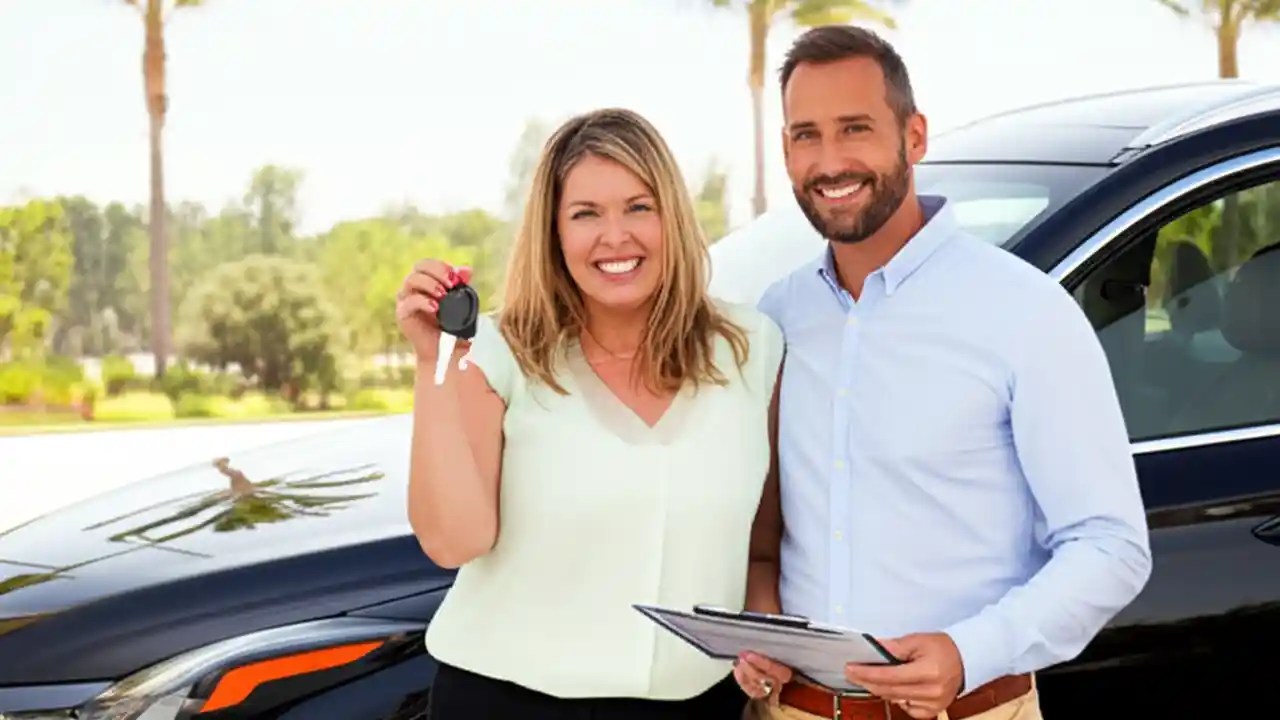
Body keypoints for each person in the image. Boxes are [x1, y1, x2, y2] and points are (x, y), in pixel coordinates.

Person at [730, 25, 1153, 720]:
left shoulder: (1024, 312)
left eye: (855, 129)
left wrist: (969, 651)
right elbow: (767, 540)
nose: (830, 160)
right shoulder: (777, 318)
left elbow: (1110, 546)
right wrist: (762, 623)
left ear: (915, 136)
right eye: (806, 135)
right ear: (785, 150)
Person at [396, 107, 784, 719]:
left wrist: (765, 632)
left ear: (672, 218)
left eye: (639, 207)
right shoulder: (498, 353)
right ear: (553, 232)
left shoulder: (752, 348)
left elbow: (763, 545)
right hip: (507, 703)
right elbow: (453, 541)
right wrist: (431, 365)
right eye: (585, 214)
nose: (615, 236)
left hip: (698, 705)